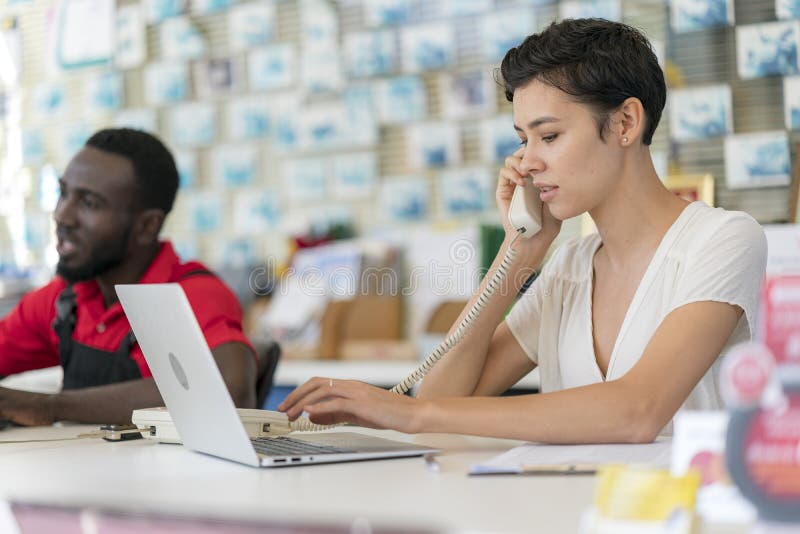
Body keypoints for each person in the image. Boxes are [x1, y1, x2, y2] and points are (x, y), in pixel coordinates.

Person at [279, 18, 767, 443]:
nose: (528, 162)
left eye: (549, 136)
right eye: (523, 139)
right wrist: (518, 251)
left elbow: (637, 411)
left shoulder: (722, 239)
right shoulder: (570, 268)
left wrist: (405, 411)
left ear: (625, 122)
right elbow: (445, 400)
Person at [0, 128, 256, 426]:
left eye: (89, 203)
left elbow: (229, 391)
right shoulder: (66, 300)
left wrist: (49, 407)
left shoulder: (191, 295)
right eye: (63, 193)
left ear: (147, 226)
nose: (62, 216)